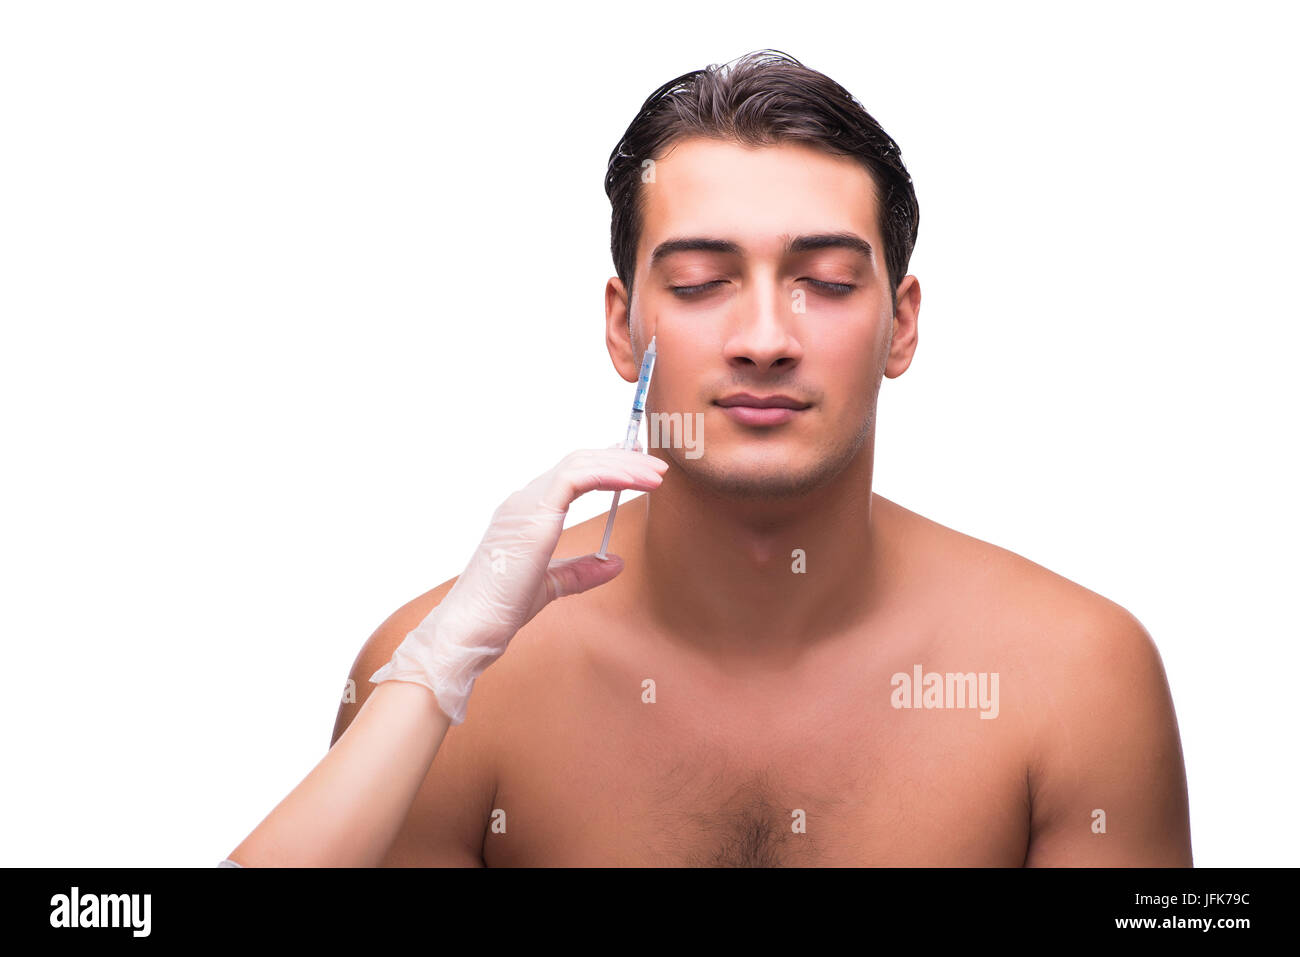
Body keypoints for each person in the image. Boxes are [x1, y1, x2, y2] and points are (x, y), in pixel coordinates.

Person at [225, 49, 1191, 867]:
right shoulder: (460, 683)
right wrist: (429, 674)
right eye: (698, 283)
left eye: (824, 281)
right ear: (622, 326)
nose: (765, 336)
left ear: (901, 327)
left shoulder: (1076, 676)